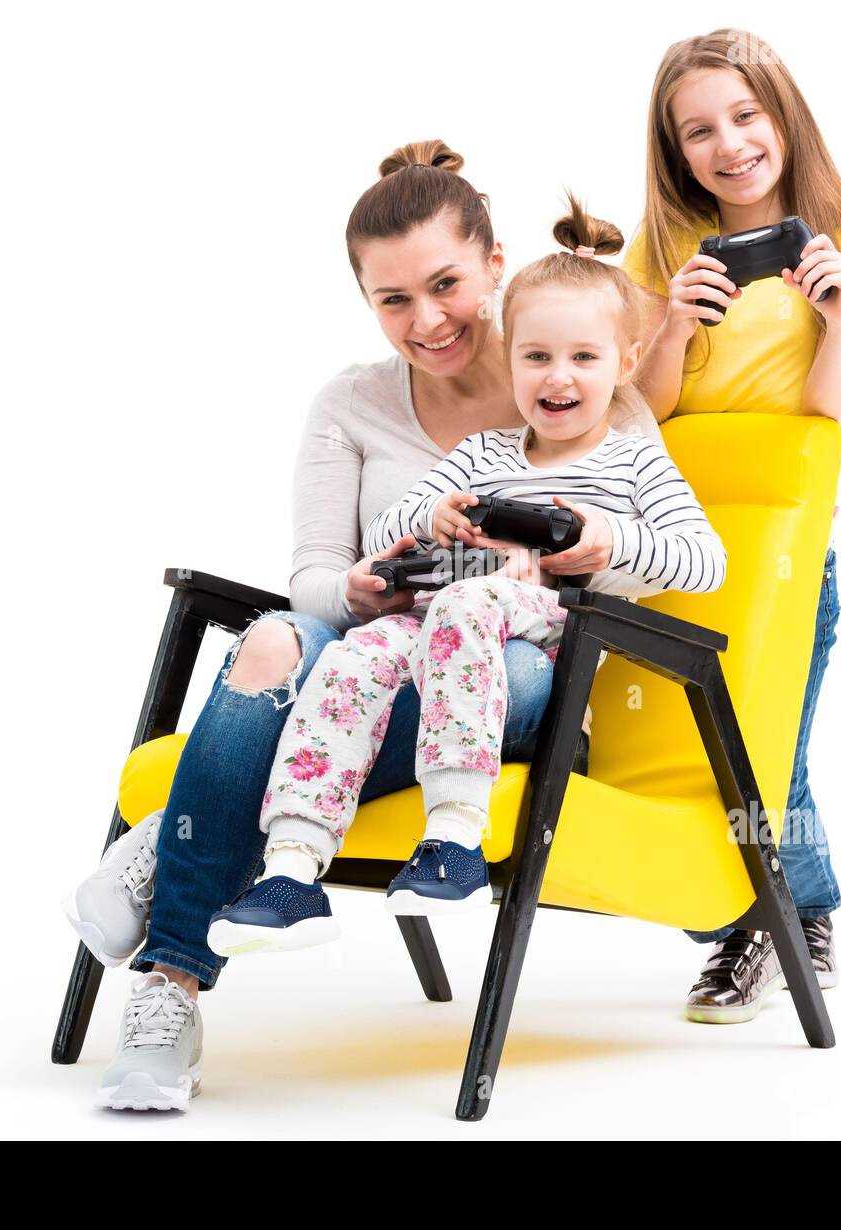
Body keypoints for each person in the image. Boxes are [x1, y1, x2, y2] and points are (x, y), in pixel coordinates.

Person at [65, 141, 663, 1112]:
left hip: (508, 670)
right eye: (393, 300)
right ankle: (167, 999)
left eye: (446, 285)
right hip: (368, 658)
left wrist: (567, 552)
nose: (426, 321)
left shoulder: (571, 377)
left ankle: (162, 875)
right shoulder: (350, 405)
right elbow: (308, 582)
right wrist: (358, 587)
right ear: (366, 304)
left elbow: (643, 561)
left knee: (483, 659)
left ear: (495, 263)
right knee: (268, 640)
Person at [205, 195, 725, 954]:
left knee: (472, 601)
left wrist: (606, 540)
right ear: (509, 355)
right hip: (433, 621)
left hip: (549, 639)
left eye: (584, 357)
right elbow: (378, 542)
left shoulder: (632, 456)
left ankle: (454, 838)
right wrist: (429, 520)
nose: (559, 378)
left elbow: (705, 558)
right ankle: (290, 868)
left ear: (627, 362)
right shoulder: (482, 454)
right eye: (537, 356)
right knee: (354, 656)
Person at [622, 29, 841, 1024]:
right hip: (666, 544)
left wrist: (840, 319)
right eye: (697, 130)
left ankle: (759, 927)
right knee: (695, 748)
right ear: (675, 150)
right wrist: (669, 324)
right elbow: (645, 413)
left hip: (783, 549)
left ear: (781, 114)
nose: (729, 144)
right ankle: (807, 908)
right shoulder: (660, 251)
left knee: (765, 747)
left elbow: (825, 410)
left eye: (745, 116)